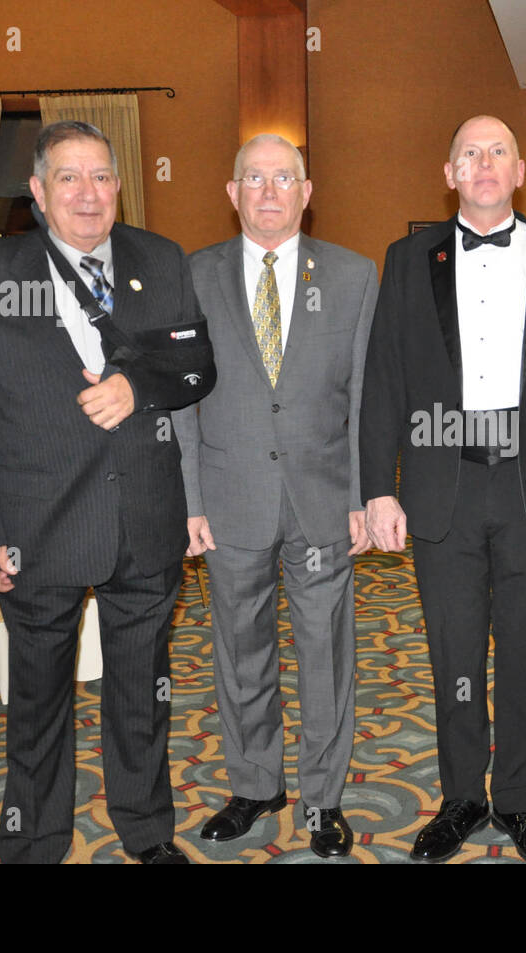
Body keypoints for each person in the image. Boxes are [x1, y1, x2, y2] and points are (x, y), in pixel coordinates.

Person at [0, 120, 215, 864]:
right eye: (69, 177)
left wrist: (136, 384)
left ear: (119, 186)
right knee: (36, 703)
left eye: (101, 176)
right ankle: (33, 840)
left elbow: (196, 369)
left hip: (144, 518)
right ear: (37, 191)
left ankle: (148, 829)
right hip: (37, 526)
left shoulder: (160, 259)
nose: (88, 194)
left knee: (142, 691)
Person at [361, 115, 526, 864]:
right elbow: (384, 381)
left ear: (520, 168)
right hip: (444, 484)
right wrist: (380, 488)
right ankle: (462, 795)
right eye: (468, 153)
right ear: (449, 175)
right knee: (455, 654)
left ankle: (520, 797)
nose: (482, 164)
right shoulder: (407, 260)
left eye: (496, 151)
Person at [172, 134, 377, 858]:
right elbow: (181, 401)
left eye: (282, 178)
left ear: (306, 190)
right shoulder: (191, 276)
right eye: (252, 178)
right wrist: (190, 500)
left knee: (324, 653)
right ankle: (256, 783)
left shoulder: (354, 277)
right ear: (232, 192)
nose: (267, 191)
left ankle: (324, 798)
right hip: (228, 501)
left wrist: (361, 494)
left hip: (322, 500)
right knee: (241, 651)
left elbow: (364, 402)